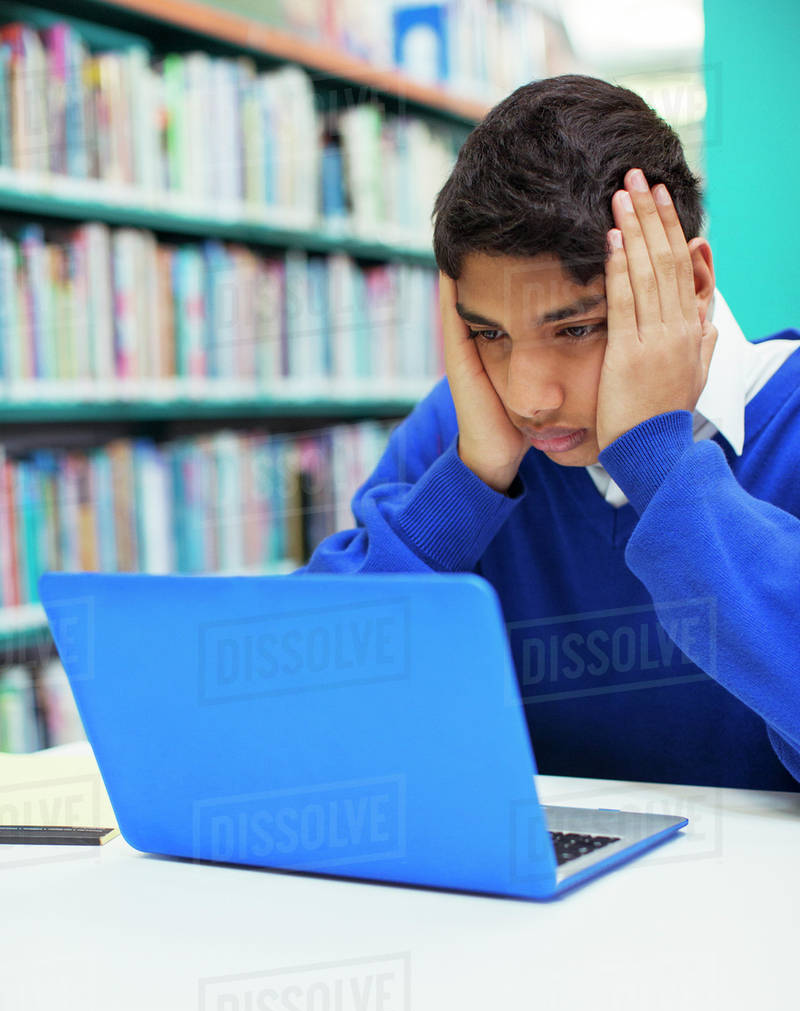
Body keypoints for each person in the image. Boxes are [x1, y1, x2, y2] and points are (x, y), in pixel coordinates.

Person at [294, 74, 800, 792]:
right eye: (488, 333)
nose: (529, 399)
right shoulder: (469, 429)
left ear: (691, 285)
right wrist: (469, 484)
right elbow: (305, 710)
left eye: (577, 328)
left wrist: (657, 464)